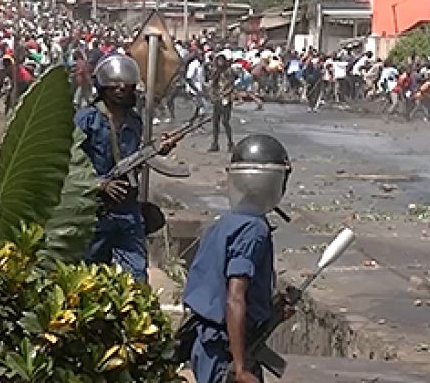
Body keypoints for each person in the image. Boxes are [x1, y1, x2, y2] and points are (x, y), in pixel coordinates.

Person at [181, 135, 293, 383]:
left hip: (208, 344)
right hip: (226, 351)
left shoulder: (225, 224)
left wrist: (270, 309)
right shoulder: (254, 230)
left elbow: (217, 288)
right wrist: (241, 368)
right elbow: (234, 297)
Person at [75, 54, 169, 283]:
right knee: (87, 275)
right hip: (94, 212)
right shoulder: (87, 120)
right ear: (103, 87)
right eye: (114, 85)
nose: (120, 89)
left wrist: (159, 149)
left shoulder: (134, 122)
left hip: (127, 211)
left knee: (137, 277)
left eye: (126, 85)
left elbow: (137, 154)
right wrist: (100, 184)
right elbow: (69, 164)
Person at [209, 53, 236, 152]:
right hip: (217, 99)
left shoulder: (229, 71)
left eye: (222, 60)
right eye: (218, 60)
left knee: (225, 122)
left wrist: (224, 93)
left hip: (226, 99)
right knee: (215, 122)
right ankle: (215, 144)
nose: (220, 63)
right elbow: (212, 84)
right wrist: (212, 95)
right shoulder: (215, 71)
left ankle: (230, 143)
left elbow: (231, 85)